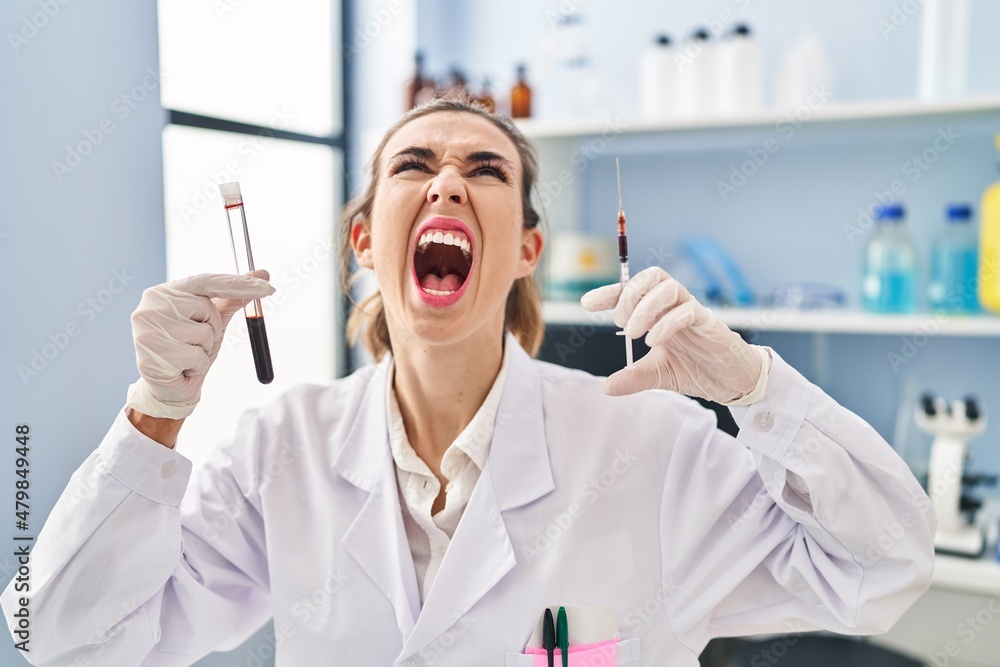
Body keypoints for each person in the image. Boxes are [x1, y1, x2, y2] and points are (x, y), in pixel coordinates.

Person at [2, 97, 934, 666]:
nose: (447, 183)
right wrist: (154, 415)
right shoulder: (277, 451)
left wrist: (756, 387)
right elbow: (60, 637)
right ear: (365, 238)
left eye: (483, 169)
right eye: (415, 165)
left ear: (527, 249)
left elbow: (884, 563)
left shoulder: (651, 447)